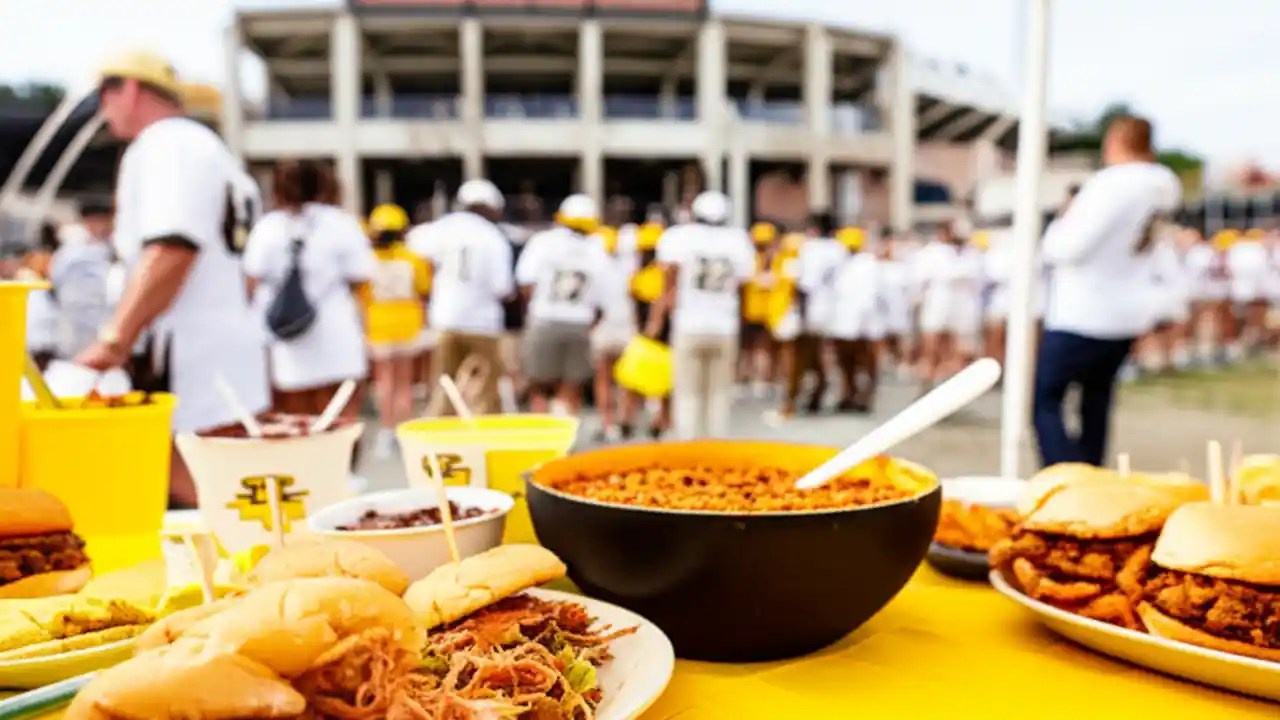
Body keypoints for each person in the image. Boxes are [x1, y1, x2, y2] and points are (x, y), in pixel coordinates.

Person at [76, 50, 268, 507]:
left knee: (200, 497)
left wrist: (114, 340)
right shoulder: (205, 146)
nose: (103, 107)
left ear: (133, 89)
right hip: (218, 344)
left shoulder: (167, 143)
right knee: (227, 494)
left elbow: (172, 247)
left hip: (188, 356)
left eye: (106, 92)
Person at [1034, 115, 1181, 467]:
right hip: (1127, 311)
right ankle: (1092, 475)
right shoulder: (1164, 186)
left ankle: (1069, 480)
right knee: (1096, 401)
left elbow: (1066, 248)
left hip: (1083, 313)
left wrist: (1060, 221)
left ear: (1116, 141)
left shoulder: (1111, 184)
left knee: (1046, 400)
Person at [243, 161, 374, 421]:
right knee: (342, 421)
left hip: (287, 337)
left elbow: (250, 281)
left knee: (297, 422)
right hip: (337, 331)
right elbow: (362, 276)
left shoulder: (268, 227)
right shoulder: (342, 223)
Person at [647, 191, 754, 440]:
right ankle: (713, 449)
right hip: (724, 325)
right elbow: (745, 286)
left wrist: (656, 321)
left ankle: (688, 448)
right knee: (719, 395)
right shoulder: (738, 241)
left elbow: (668, 285)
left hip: (689, 323)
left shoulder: (678, 237)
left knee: (687, 393)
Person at [408, 179, 513, 415]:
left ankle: (444, 442)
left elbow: (413, 248)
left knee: (446, 388)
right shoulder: (492, 237)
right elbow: (502, 287)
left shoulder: (442, 228)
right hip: (482, 323)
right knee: (484, 390)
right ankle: (482, 444)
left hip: (445, 318)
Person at [516, 194, 616, 416]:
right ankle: (565, 436)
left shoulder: (543, 242)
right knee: (571, 388)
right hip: (579, 323)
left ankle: (540, 438)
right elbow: (604, 301)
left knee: (539, 386)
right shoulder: (597, 249)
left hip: (544, 319)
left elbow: (524, 283)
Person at [367, 203, 431, 457]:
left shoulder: (368, 258)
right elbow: (424, 289)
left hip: (378, 323)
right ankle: (404, 432)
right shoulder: (413, 258)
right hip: (408, 323)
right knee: (404, 382)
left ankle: (386, 430)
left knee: (385, 380)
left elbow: (362, 294)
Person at [778, 211, 844, 418]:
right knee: (816, 355)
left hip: (811, 309)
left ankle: (791, 401)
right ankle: (818, 392)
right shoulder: (839, 249)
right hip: (831, 309)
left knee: (797, 357)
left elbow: (805, 285)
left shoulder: (810, 249)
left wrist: (802, 315)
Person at [914, 220, 983, 392]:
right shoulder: (931, 252)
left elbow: (976, 276)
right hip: (938, 302)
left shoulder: (971, 252)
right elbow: (922, 278)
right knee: (931, 345)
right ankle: (927, 385)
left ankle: (949, 387)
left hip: (962, 305)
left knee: (956, 349)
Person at [619, 214, 670, 439]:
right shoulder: (659, 274)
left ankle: (630, 419)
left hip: (649, 337)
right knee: (660, 385)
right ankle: (658, 420)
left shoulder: (642, 276)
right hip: (663, 339)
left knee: (636, 381)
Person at [589, 218, 637, 441]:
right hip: (626, 325)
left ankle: (607, 422)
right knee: (627, 379)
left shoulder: (595, 266)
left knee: (604, 378)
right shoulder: (629, 265)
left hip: (604, 326)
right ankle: (625, 418)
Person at [49, 202, 114, 362]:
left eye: (104, 220)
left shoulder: (118, 248)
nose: (100, 226)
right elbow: (54, 282)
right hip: (74, 323)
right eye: (95, 221)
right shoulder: (69, 252)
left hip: (108, 322)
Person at [829, 226, 881, 413]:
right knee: (845, 362)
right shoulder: (838, 264)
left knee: (868, 363)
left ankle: (866, 397)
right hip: (842, 323)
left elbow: (870, 296)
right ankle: (848, 394)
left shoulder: (868, 263)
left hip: (865, 325)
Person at [739, 221, 778, 397]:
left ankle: (760, 379)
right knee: (755, 348)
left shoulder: (773, 261)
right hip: (756, 309)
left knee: (760, 348)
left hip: (761, 310)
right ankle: (752, 378)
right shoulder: (752, 259)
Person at [1186, 229, 1234, 365]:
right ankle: (1206, 351)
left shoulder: (1201, 253)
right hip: (1208, 293)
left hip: (1207, 293)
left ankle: (1207, 351)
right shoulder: (1206, 253)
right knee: (1208, 322)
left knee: (1210, 322)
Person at [1227, 229, 1270, 357]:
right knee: (1244, 319)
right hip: (1247, 290)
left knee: (1252, 319)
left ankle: (1250, 344)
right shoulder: (1248, 251)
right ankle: (1244, 344)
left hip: (1250, 290)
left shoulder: (1241, 250)